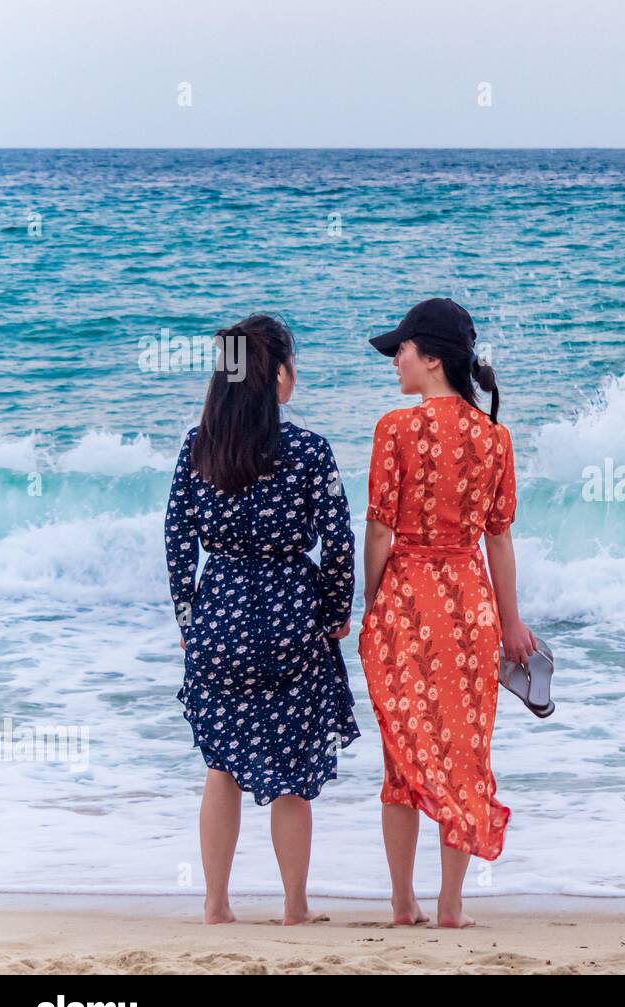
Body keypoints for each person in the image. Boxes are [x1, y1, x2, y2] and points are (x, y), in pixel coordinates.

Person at [164, 314, 357, 926]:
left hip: (218, 615)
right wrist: (333, 612)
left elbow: (176, 541)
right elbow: (339, 543)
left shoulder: (199, 449)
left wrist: (189, 617)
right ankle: (294, 907)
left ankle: (216, 904)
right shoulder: (307, 451)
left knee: (220, 766)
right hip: (290, 619)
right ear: (277, 376)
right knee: (291, 771)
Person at [359, 298, 534, 928]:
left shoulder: (394, 430)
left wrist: (371, 604)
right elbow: (500, 538)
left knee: (402, 756)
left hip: (406, 604)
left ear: (431, 357)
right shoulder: (493, 438)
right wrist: (512, 624)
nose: (395, 360)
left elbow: (379, 532)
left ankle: (402, 901)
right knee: (465, 751)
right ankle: (450, 903)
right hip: (470, 608)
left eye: (401, 349)